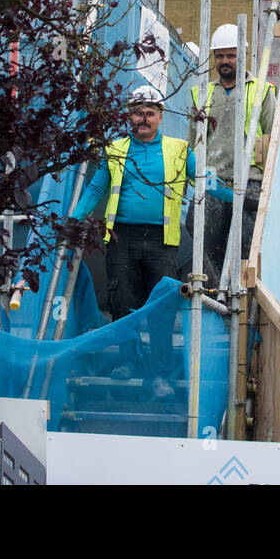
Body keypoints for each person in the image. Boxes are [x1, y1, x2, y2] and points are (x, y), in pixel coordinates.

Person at [66, 84, 196, 396]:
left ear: (160, 117)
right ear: (129, 115)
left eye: (150, 113)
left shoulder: (180, 149)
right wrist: (74, 219)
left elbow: (203, 180)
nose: (143, 118)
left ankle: (159, 376)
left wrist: (231, 196)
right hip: (121, 238)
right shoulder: (115, 149)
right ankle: (128, 363)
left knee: (162, 311)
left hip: (162, 242)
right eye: (138, 112)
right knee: (122, 302)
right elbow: (97, 189)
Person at [187, 23, 276, 284]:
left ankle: (243, 307)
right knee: (203, 244)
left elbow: (272, 139)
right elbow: (192, 143)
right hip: (212, 181)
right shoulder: (201, 93)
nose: (224, 61)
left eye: (231, 55)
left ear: (242, 55)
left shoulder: (261, 91)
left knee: (244, 251)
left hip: (249, 183)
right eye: (220, 55)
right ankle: (217, 301)